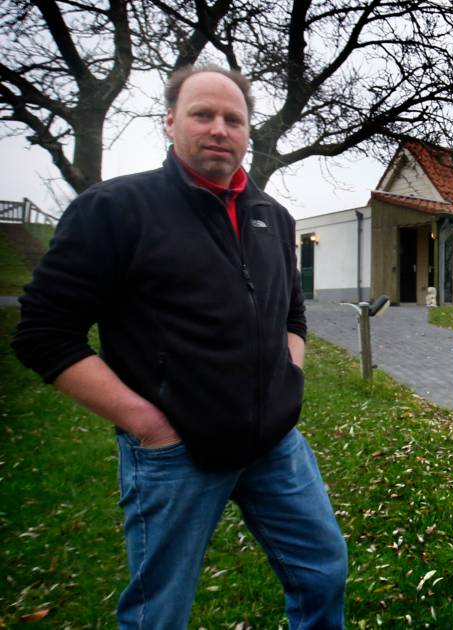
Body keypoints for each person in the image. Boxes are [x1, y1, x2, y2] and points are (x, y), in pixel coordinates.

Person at [11, 65, 347, 628]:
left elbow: (291, 313)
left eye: (233, 119)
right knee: (159, 610)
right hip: (176, 453)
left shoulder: (272, 217)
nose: (219, 128)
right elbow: (43, 332)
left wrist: (288, 376)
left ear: (248, 132)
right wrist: (147, 424)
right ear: (170, 121)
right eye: (202, 114)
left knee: (323, 572)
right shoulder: (115, 208)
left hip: (274, 445)